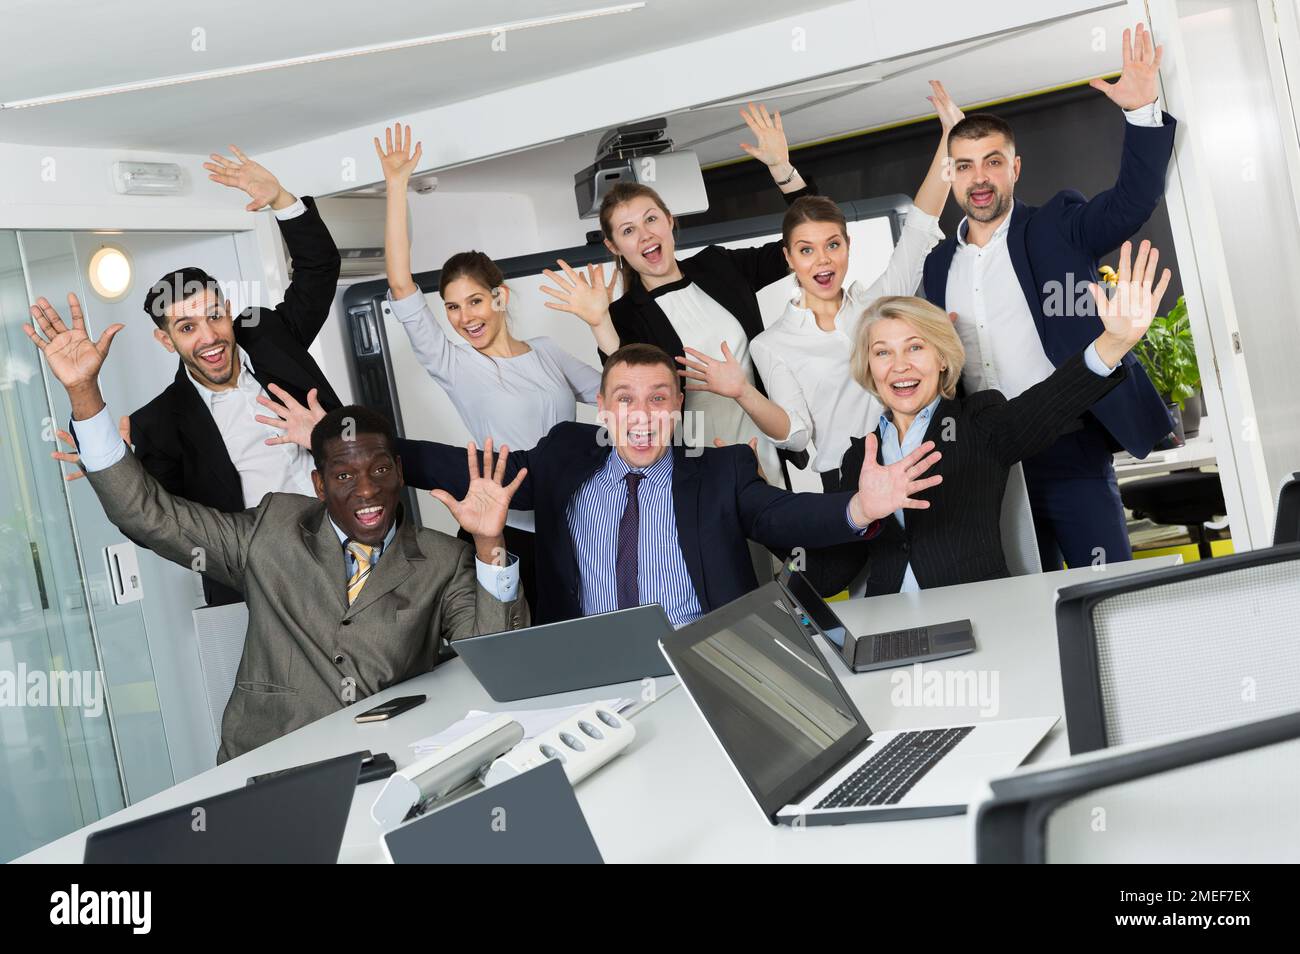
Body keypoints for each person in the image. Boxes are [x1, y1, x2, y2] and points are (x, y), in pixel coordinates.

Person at [27, 294, 528, 761]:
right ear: (318, 483)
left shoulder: (444, 560)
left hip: (391, 761)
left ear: (399, 472)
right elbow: (148, 513)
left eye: (379, 471)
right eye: (344, 476)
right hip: (269, 763)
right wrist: (83, 393)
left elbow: (498, 661)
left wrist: (489, 542)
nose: (367, 490)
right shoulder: (269, 532)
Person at [258, 343, 945, 627]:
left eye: (656, 400)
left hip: (701, 660)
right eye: (624, 400)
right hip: (586, 665)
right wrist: (341, 440)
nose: (640, 415)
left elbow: (784, 519)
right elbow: (461, 463)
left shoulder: (721, 470)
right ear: (604, 409)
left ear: (675, 409)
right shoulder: (564, 455)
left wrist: (860, 505)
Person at [921, 22, 1176, 571]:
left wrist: (1141, 112)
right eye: (964, 166)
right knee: (1022, 595)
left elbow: (1132, 202)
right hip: (992, 456)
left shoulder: (1057, 224)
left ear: (1014, 168)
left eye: (993, 161)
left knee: (1109, 587)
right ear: (951, 177)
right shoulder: (938, 263)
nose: (980, 177)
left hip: (1069, 441)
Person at [56, 146, 344, 608]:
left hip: (360, 543)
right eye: (187, 328)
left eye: (214, 317)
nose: (209, 336)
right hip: (267, 588)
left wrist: (281, 201)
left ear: (229, 313)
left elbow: (319, 269)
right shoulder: (160, 425)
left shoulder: (270, 338)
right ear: (166, 341)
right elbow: (152, 519)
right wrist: (110, 457)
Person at [808, 239, 1171, 597]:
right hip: (888, 632)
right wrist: (856, 513)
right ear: (869, 368)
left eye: (915, 347)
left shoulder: (978, 423)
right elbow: (827, 579)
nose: (899, 365)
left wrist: (1115, 342)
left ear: (943, 359)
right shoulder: (860, 457)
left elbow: (1049, 403)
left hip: (978, 619)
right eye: (882, 352)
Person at [677, 82, 962, 488]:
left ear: (848, 246)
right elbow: (795, 433)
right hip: (848, 482)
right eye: (806, 250)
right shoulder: (771, 345)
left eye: (832, 245)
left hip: (923, 457)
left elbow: (921, 226)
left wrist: (952, 140)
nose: (823, 259)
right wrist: (743, 391)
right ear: (789, 259)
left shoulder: (878, 305)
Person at [371, 122, 601, 611]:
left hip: (575, 519)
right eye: (453, 307)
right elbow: (400, 282)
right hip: (506, 526)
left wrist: (601, 320)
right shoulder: (453, 363)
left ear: (500, 296)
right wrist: (396, 187)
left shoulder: (546, 352)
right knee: (519, 639)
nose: (465, 317)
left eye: (474, 301)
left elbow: (618, 393)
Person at [541, 103, 816, 484]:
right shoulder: (625, 315)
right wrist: (599, 321)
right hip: (697, 465)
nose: (645, 235)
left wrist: (783, 171)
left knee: (781, 538)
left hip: (763, 445)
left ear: (670, 221)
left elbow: (809, 244)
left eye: (651, 219)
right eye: (628, 230)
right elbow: (627, 380)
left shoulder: (719, 266)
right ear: (615, 247)